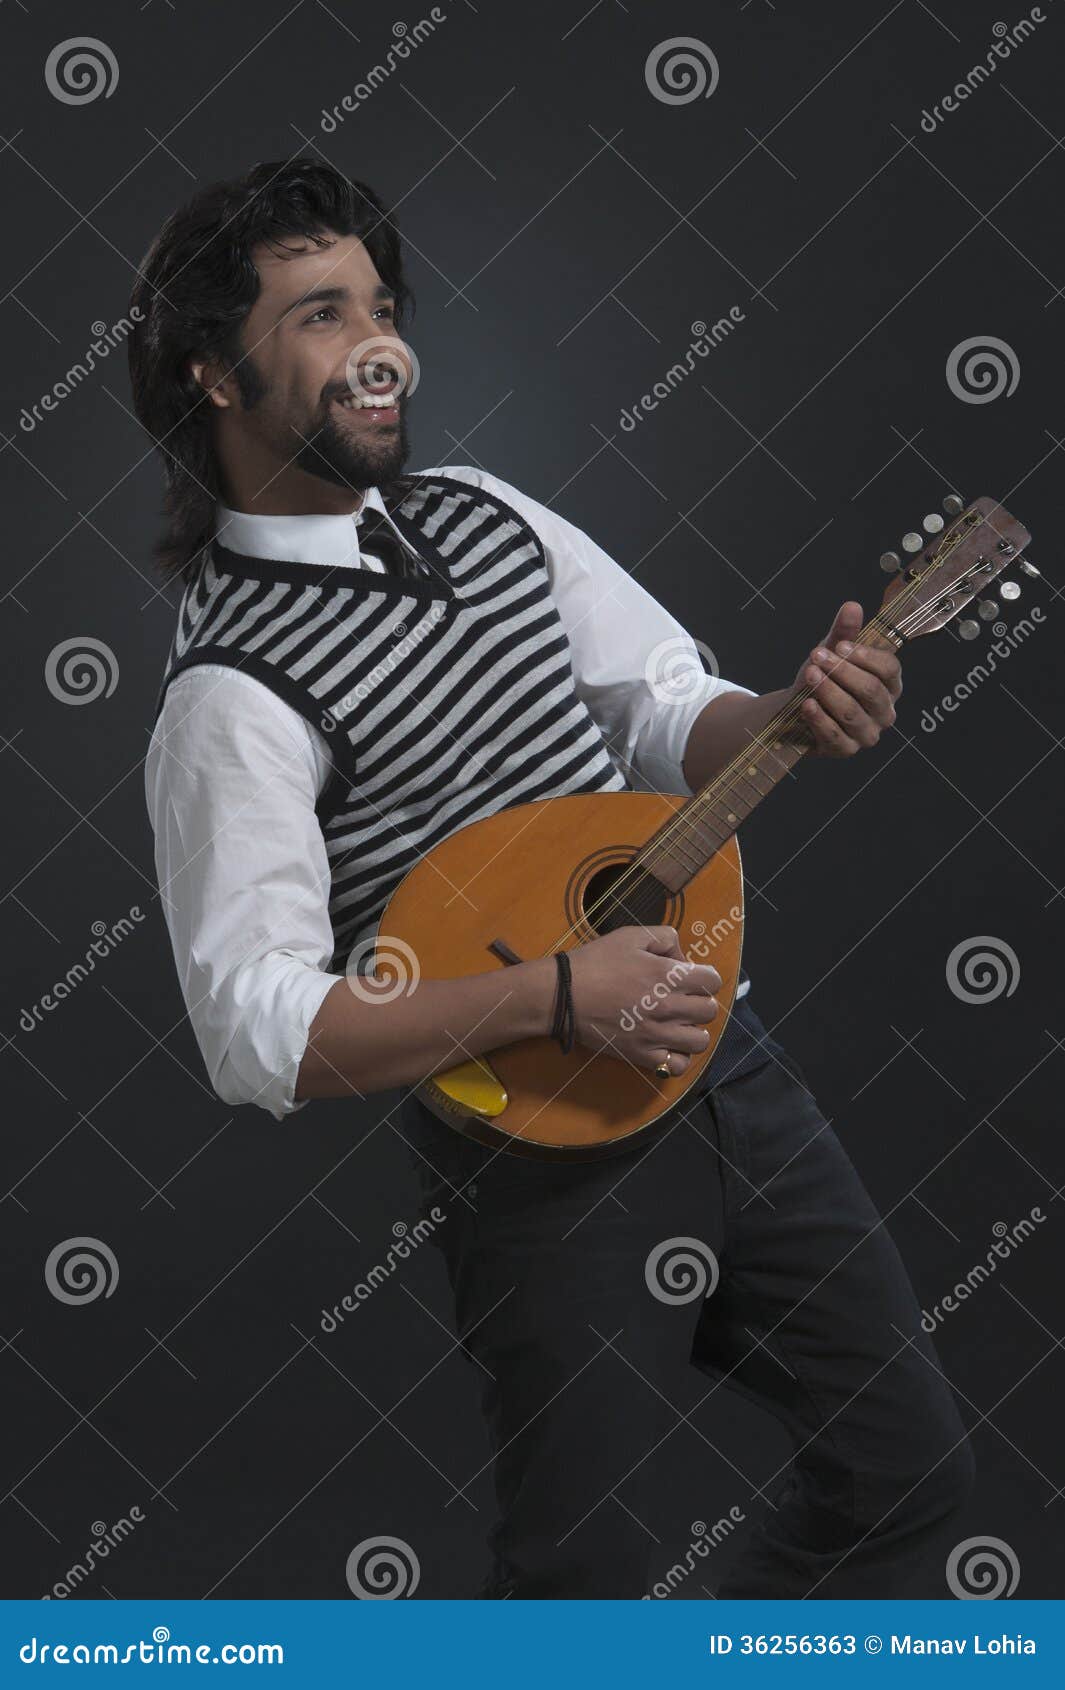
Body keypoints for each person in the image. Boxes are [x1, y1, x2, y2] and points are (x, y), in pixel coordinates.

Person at [135, 159, 974, 1599]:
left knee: (905, 1475)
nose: (380, 345)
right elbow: (255, 1029)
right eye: (323, 316)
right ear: (214, 372)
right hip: (538, 1156)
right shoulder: (229, 695)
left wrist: (793, 705)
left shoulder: (486, 515)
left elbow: (663, 703)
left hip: (728, 1064)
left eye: (384, 307)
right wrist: (552, 992)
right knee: (581, 1572)